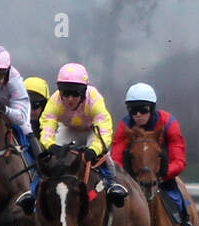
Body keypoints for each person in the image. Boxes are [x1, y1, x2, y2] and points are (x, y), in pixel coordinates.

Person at [18, 62, 128, 213]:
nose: (70, 99)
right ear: (59, 92)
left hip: (91, 130)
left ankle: (112, 184)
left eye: (75, 94)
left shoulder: (94, 99)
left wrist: (95, 150)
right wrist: (50, 146)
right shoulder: (55, 100)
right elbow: (47, 124)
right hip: (68, 129)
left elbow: (104, 130)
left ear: (83, 92)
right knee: (46, 158)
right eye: (65, 93)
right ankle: (32, 191)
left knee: (104, 156)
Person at [111, 83, 194, 226]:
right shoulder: (124, 126)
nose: (138, 115)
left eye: (143, 109)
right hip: (134, 177)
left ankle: (186, 225)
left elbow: (179, 159)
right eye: (133, 110)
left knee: (175, 194)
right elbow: (116, 159)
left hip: (162, 174)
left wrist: (164, 173)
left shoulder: (169, 122)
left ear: (152, 108)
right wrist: (129, 179)